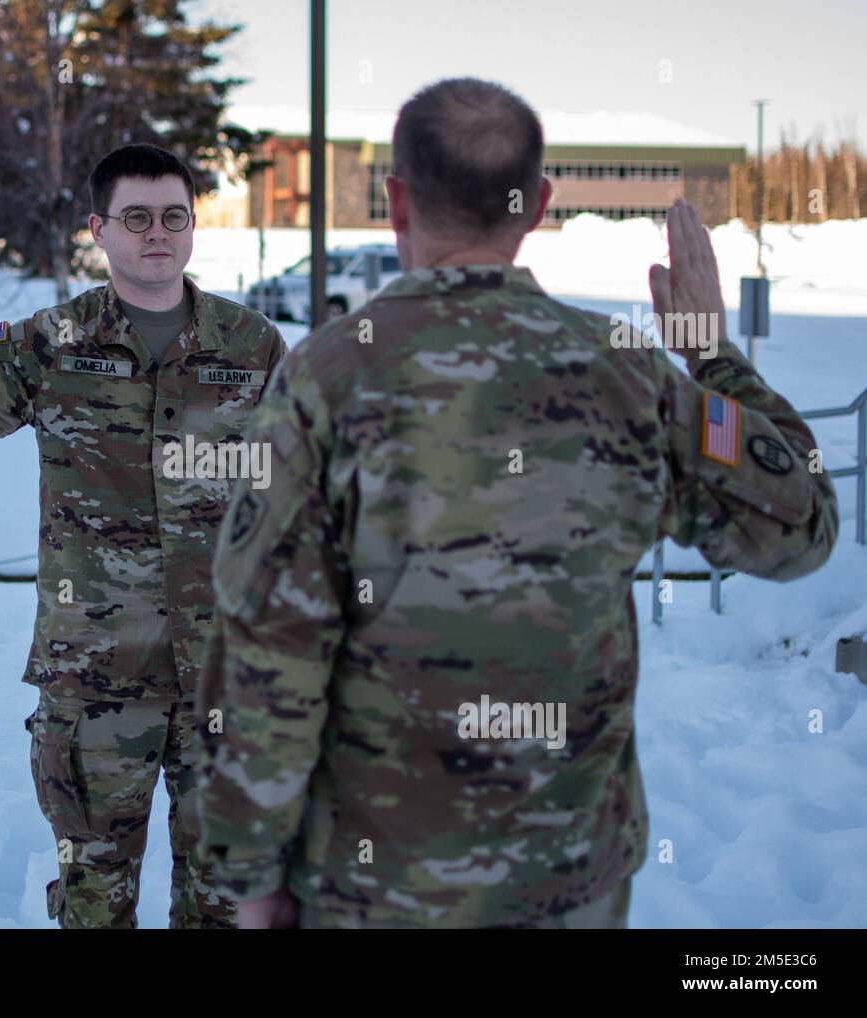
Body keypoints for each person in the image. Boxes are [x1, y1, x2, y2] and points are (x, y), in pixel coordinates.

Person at [194, 77, 839, 929]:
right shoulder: (629, 373)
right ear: (538, 204)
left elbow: (270, 649)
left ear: (394, 202)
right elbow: (802, 524)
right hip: (572, 882)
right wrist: (710, 356)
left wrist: (252, 877)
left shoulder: (325, 377)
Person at [0, 143, 287, 928]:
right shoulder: (50, 342)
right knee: (94, 907)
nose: (157, 233)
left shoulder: (252, 347)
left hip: (230, 687)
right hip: (95, 687)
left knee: (232, 907)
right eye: (137, 218)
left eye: (174, 216)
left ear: (194, 226)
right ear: (100, 228)